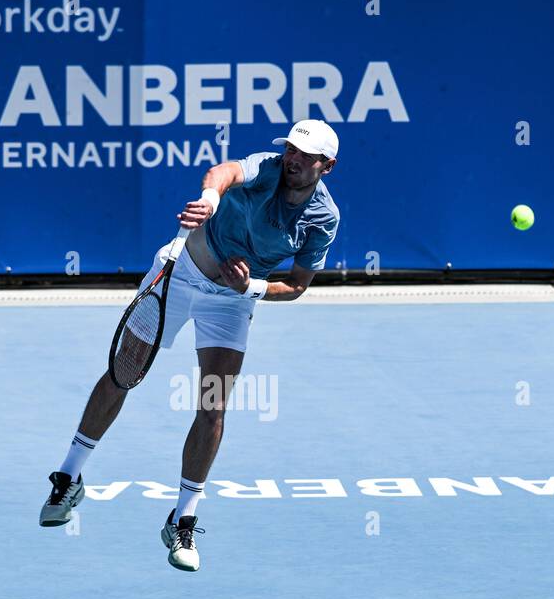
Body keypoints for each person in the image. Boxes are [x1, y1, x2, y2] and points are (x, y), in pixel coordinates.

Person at [40, 120, 341, 571]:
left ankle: (183, 519)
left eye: (305, 155)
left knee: (213, 407)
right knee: (125, 373)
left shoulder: (324, 217)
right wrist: (210, 199)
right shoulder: (267, 167)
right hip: (179, 276)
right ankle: (70, 475)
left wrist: (252, 288)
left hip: (232, 301)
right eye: (291, 149)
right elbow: (222, 172)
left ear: (326, 166)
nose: (293, 159)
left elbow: (298, 285)